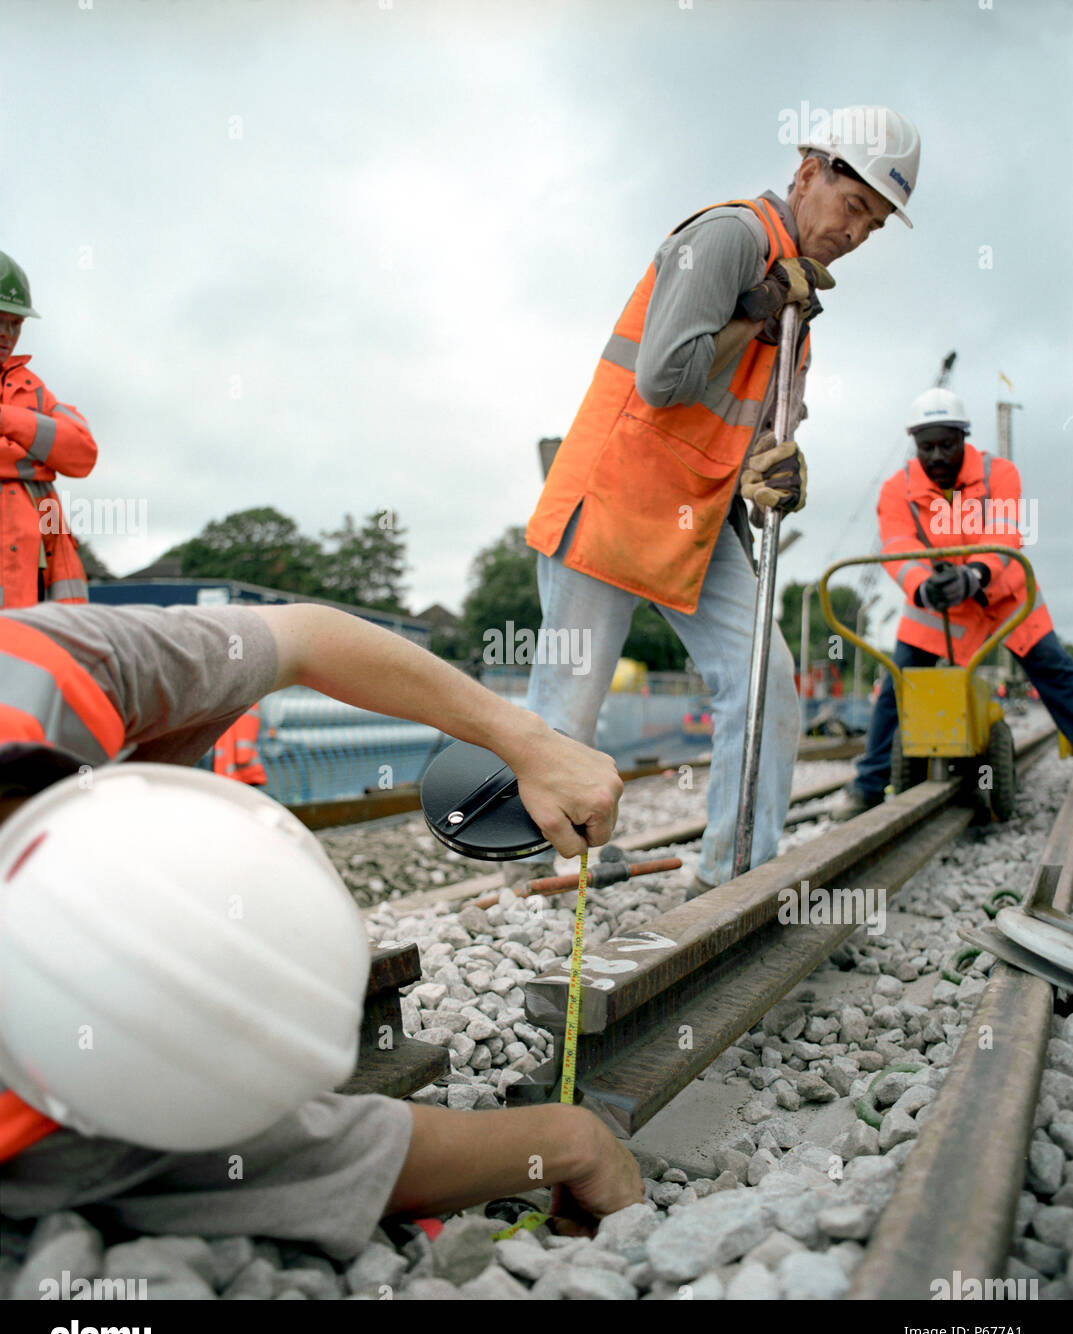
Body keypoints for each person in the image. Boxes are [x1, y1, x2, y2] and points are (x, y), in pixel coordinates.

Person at [0, 599, 642, 1261]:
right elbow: (315, 1156)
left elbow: (308, 637)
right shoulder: (39, 1128)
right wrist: (569, 1143)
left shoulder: (43, 672)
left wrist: (528, 742)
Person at [523, 107, 920, 896]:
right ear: (809, 170)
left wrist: (777, 472)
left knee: (767, 686)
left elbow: (755, 432)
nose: (856, 233)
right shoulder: (733, 238)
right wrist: (759, 307)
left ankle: (731, 882)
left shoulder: (796, 307)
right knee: (564, 717)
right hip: (610, 498)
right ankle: (531, 884)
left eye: (872, 224)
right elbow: (664, 381)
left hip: (697, 520)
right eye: (852, 206)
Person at [832, 388, 1073, 820]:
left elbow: (1004, 534)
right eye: (927, 446)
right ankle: (868, 786)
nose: (938, 454)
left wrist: (975, 575)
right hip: (937, 607)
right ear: (915, 444)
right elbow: (898, 546)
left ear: (964, 437)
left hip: (1004, 600)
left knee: (1056, 673)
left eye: (947, 443)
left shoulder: (999, 473)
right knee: (897, 690)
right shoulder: (897, 489)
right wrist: (925, 587)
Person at [0, 252, 97, 608]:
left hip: (42, 618)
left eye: (15, 323)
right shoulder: (37, 404)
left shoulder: (34, 390)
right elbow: (60, 452)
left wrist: (5, 420)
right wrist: (38, 448)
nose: (6, 334)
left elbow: (82, 454)